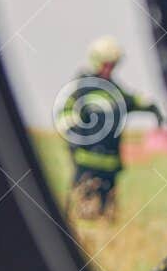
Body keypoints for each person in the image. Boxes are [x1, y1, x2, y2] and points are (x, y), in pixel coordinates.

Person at [58, 36, 160, 220]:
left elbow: (134, 100)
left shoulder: (115, 90)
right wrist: (74, 135)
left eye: (112, 65)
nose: (109, 69)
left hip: (110, 164)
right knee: (81, 213)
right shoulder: (82, 87)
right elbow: (66, 116)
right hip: (85, 162)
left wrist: (153, 108)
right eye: (106, 64)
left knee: (106, 215)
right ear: (96, 62)